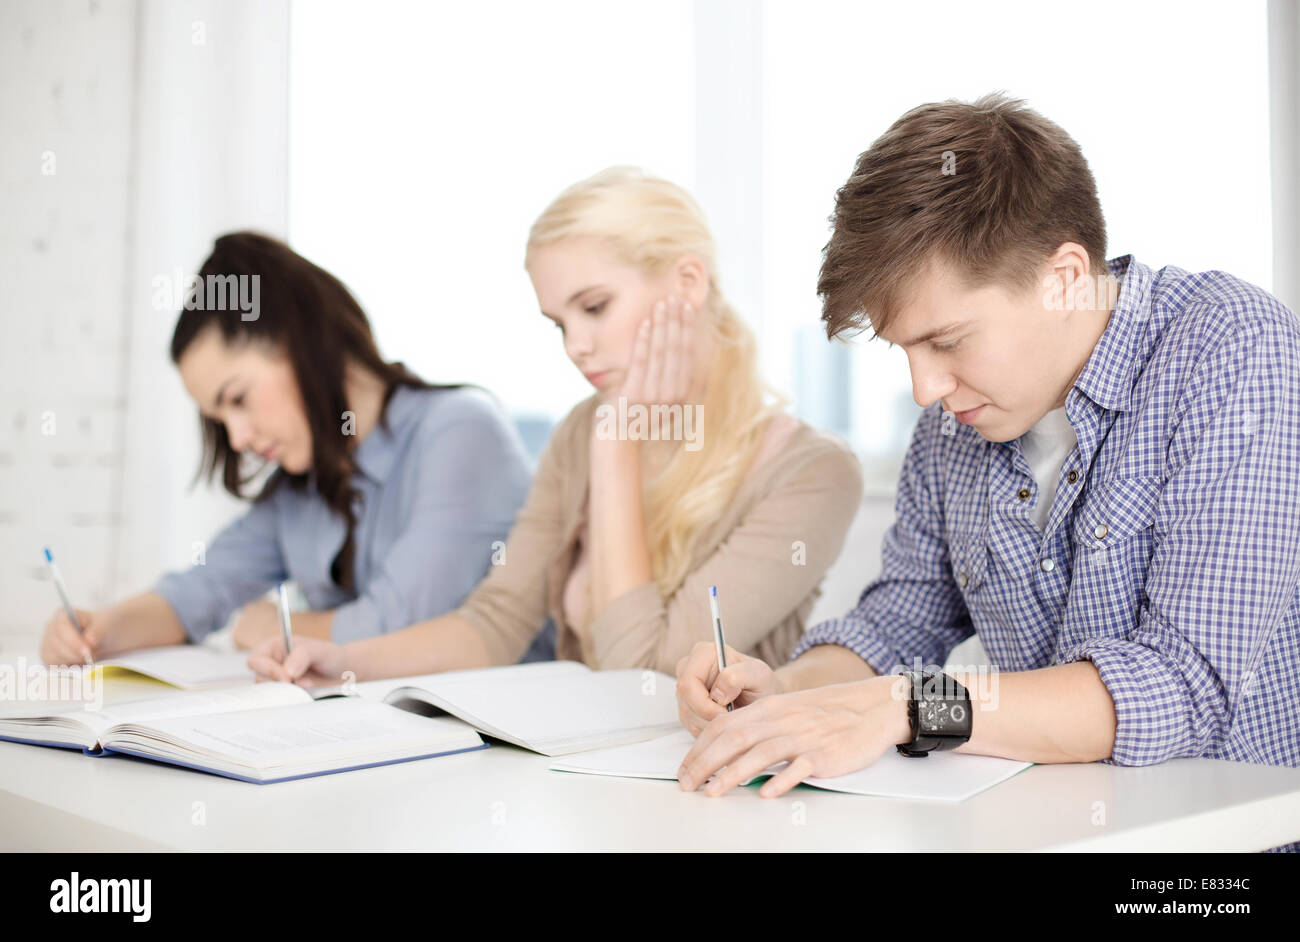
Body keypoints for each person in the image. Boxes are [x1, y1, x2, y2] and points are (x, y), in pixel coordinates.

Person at [673, 94, 1300, 856]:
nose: (924, 391)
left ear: (1065, 276)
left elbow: (1181, 686)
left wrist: (908, 706)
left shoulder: (1234, 351)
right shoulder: (955, 421)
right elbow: (899, 621)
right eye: (905, 351)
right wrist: (790, 692)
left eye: (947, 341)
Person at [250, 167, 864, 685]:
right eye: (559, 323)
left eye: (595, 308)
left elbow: (643, 680)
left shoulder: (811, 471)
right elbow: (495, 624)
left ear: (688, 283)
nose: (576, 346)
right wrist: (344, 663)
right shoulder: (583, 432)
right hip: (583, 782)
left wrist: (617, 448)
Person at [40, 232, 531, 664]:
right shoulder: (300, 489)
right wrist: (99, 630)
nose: (237, 439)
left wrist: (277, 627)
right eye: (220, 419)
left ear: (298, 343)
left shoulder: (461, 432)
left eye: (239, 399)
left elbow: (406, 625)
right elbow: (199, 591)